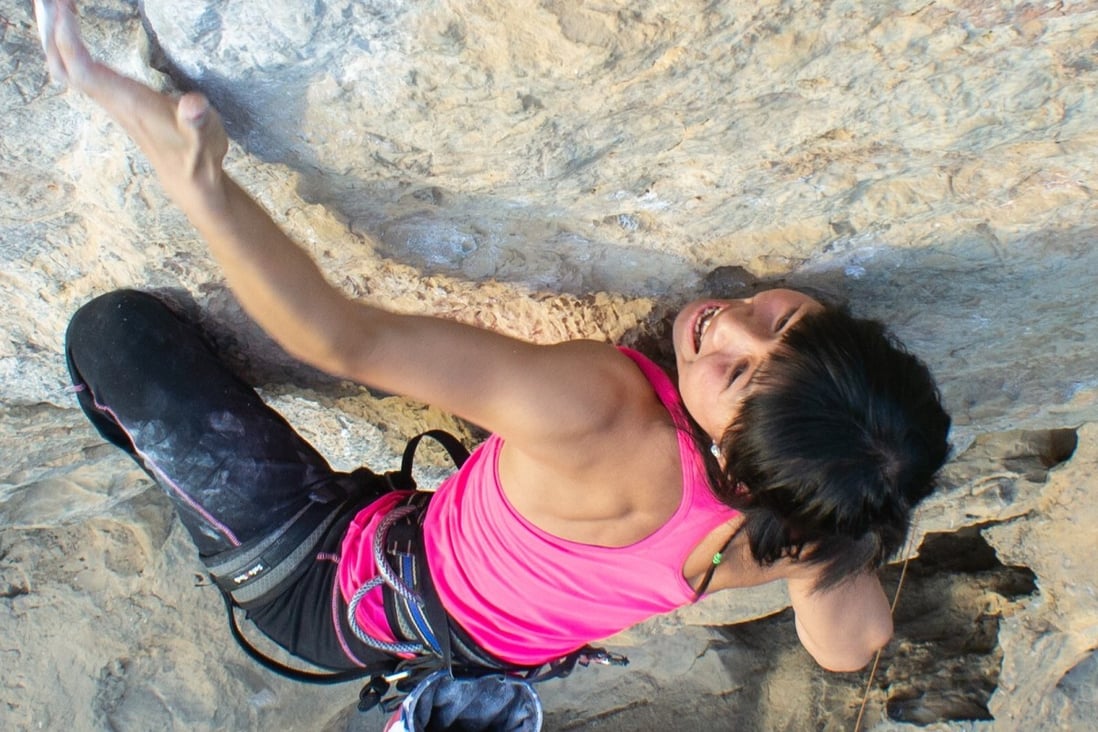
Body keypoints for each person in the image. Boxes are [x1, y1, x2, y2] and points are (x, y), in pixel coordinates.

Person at [39, 0, 950, 694]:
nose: (732, 321)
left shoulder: (600, 413)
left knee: (111, 338)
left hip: (327, 592)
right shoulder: (797, 524)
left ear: (734, 460)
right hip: (483, 637)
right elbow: (847, 647)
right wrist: (846, 536)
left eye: (741, 374)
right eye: (787, 323)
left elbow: (342, 336)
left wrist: (200, 187)